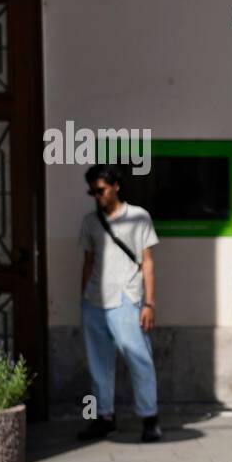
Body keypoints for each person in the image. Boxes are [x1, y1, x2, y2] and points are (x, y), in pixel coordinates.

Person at [76, 165, 162, 442]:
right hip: (94, 300)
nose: (96, 196)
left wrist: (149, 304)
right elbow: (87, 262)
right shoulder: (90, 221)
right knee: (99, 364)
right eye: (92, 192)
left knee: (139, 358)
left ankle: (150, 419)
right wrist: (83, 299)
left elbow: (147, 262)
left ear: (115, 186)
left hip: (127, 297)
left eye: (100, 190)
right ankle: (104, 417)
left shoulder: (138, 217)